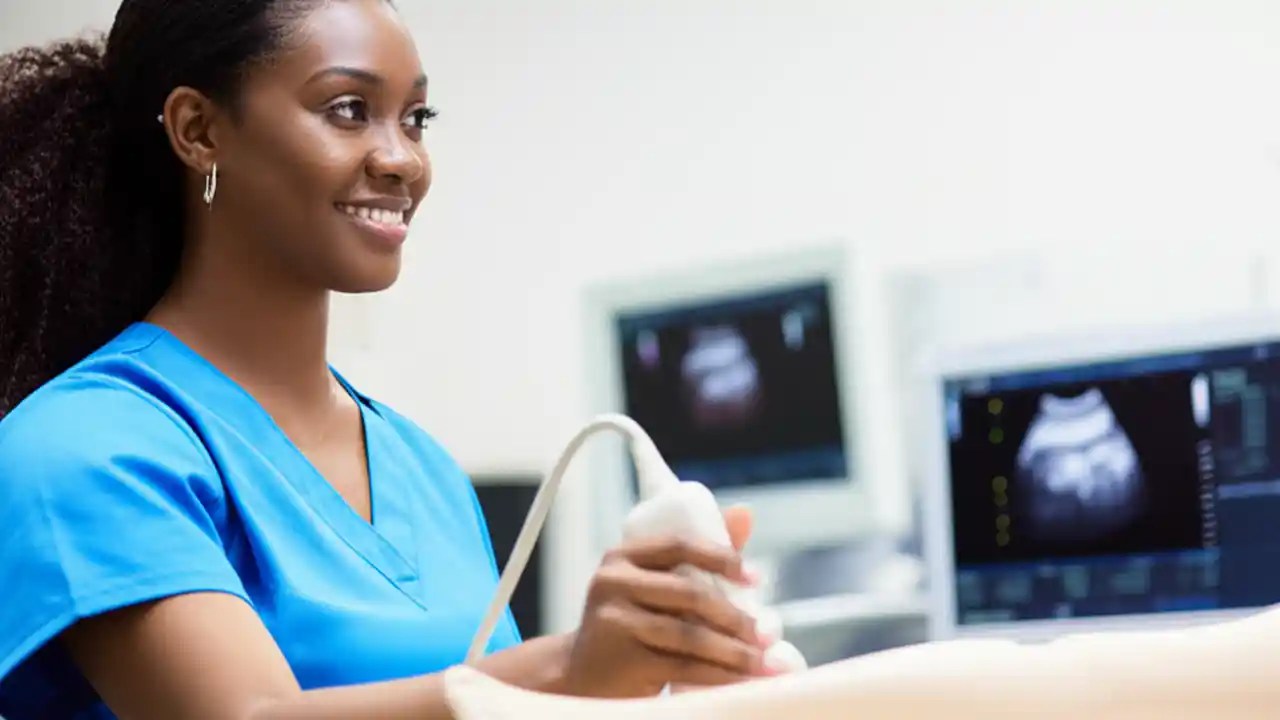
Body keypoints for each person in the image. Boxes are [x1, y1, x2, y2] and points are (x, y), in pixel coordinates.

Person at [0, 1, 779, 718]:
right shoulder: (79, 447)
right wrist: (570, 669)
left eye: (416, 119)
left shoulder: (423, 470)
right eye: (348, 110)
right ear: (199, 130)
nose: (402, 159)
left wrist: (665, 669)